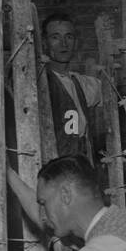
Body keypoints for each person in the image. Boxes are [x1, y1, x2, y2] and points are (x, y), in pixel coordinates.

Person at [40, 12, 103, 164]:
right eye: (55, 37)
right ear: (44, 43)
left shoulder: (82, 83)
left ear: (75, 42)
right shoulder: (40, 81)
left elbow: (111, 93)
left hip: (81, 165)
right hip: (51, 166)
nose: (64, 44)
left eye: (69, 37)